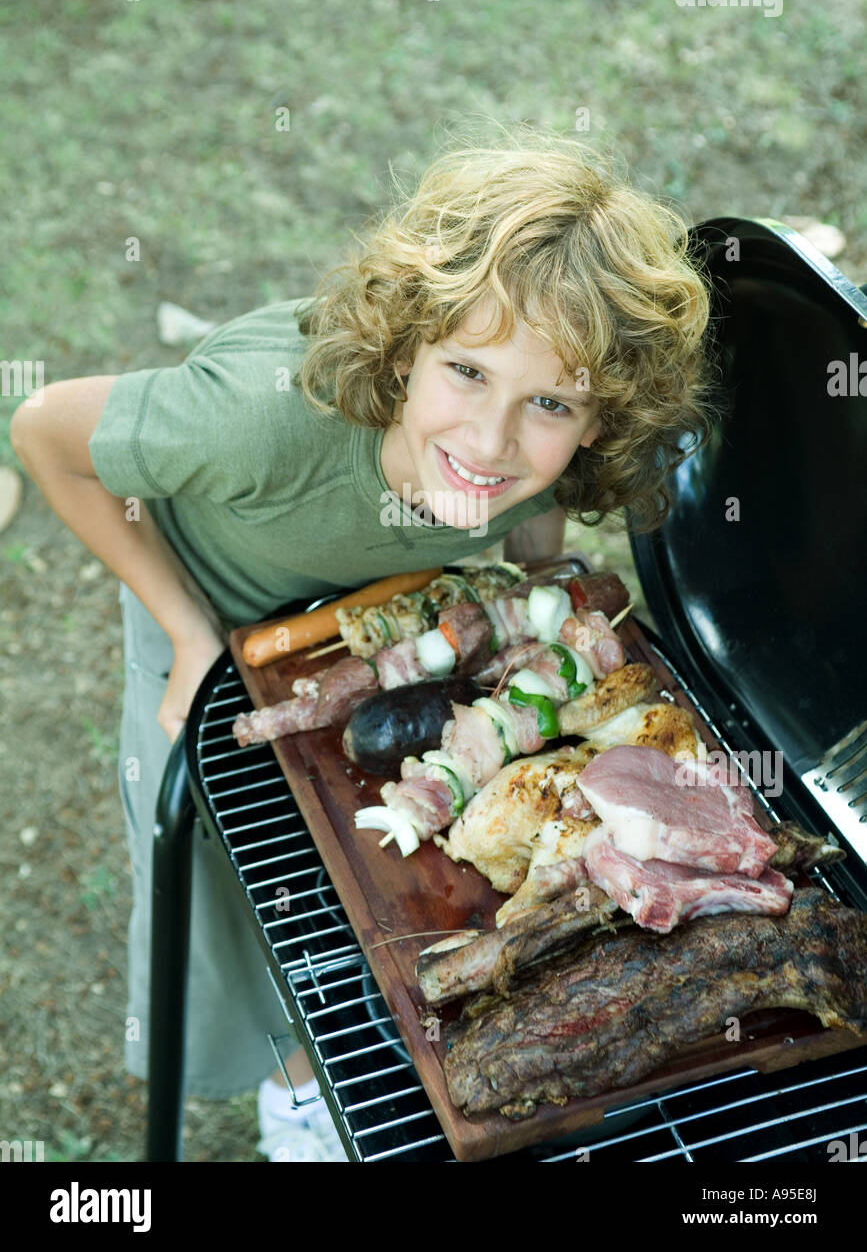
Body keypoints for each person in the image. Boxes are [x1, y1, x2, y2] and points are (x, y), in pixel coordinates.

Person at [9, 121, 722, 1162]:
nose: (489, 441)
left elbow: (533, 500)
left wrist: (530, 576)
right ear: (407, 343)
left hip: (394, 608)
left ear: (598, 417)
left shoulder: (528, 447)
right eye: (467, 373)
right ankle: (293, 1080)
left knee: (375, 843)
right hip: (221, 617)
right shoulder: (254, 422)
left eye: (549, 403)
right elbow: (45, 435)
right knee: (218, 860)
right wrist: (189, 635)